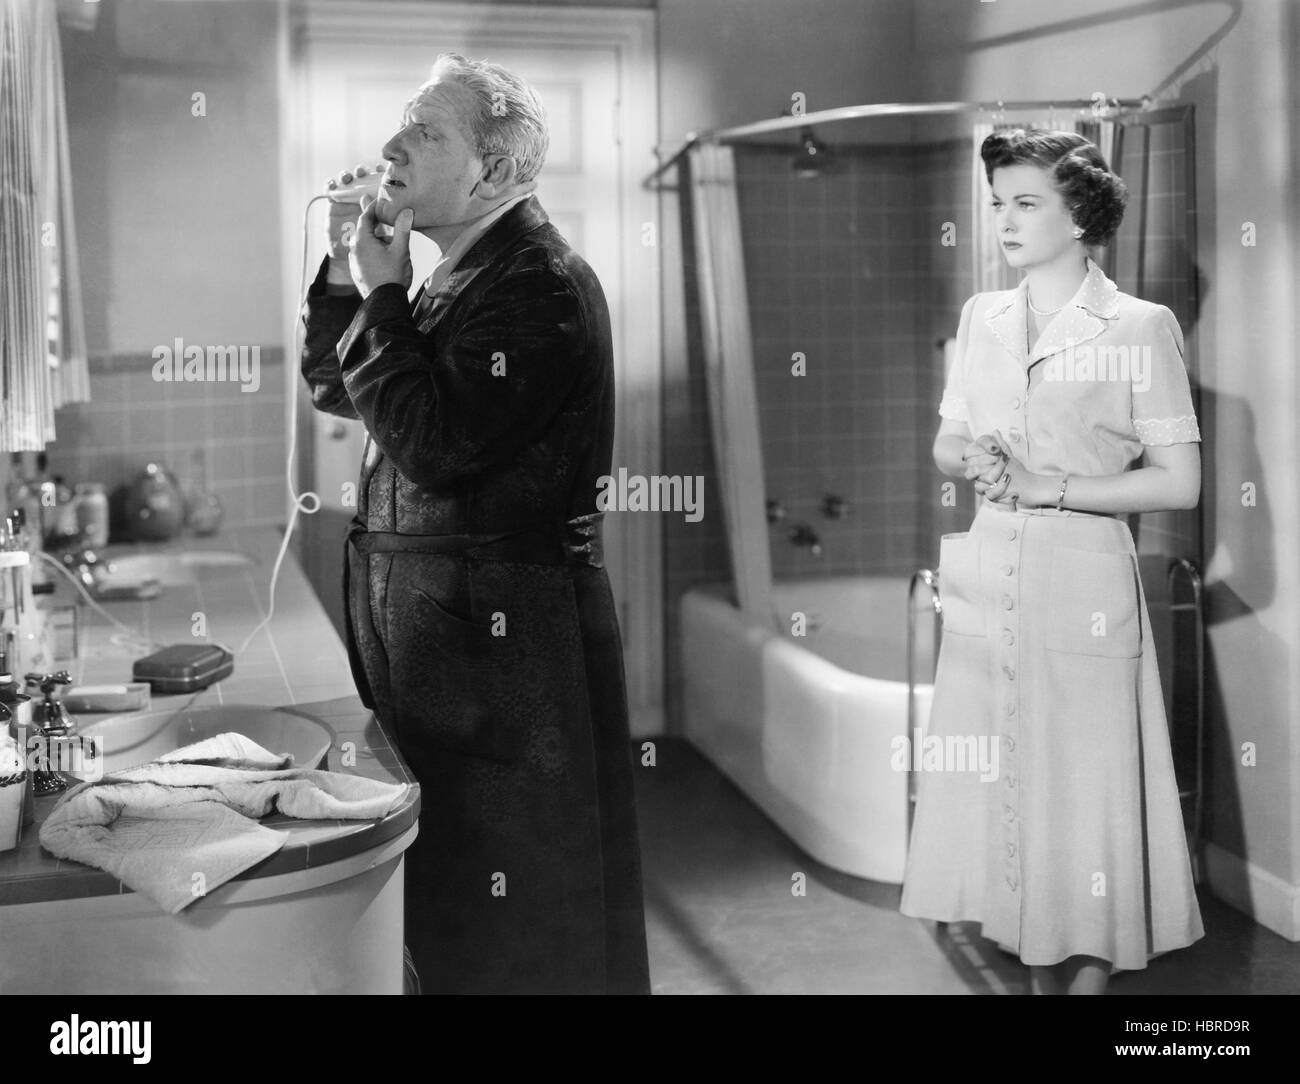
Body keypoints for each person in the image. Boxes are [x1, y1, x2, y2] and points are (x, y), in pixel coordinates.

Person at [298, 53, 650, 994]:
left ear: (493, 171)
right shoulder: (462, 272)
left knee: (523, 912)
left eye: (424, 130)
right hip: (450, 649)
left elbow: (435, 443)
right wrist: (348, 272)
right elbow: (346, 386)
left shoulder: (539, 283)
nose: (389, 146)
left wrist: (380, 293)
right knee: (459, 904)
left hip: (507, 655)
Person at [900, 128, 1204, 995]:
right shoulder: (981, 317)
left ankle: (1089, 970)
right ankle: (1032, 954)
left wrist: (1049, 485)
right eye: (999, 202)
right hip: (988, 563)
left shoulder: (1140, 327)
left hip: (1084, 578)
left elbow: (1178, 482)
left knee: (1084, 779)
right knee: (999, 767)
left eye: (1027, 202)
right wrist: (979, 463)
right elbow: (946, 442)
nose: (1005, 219)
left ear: (1083, 216)